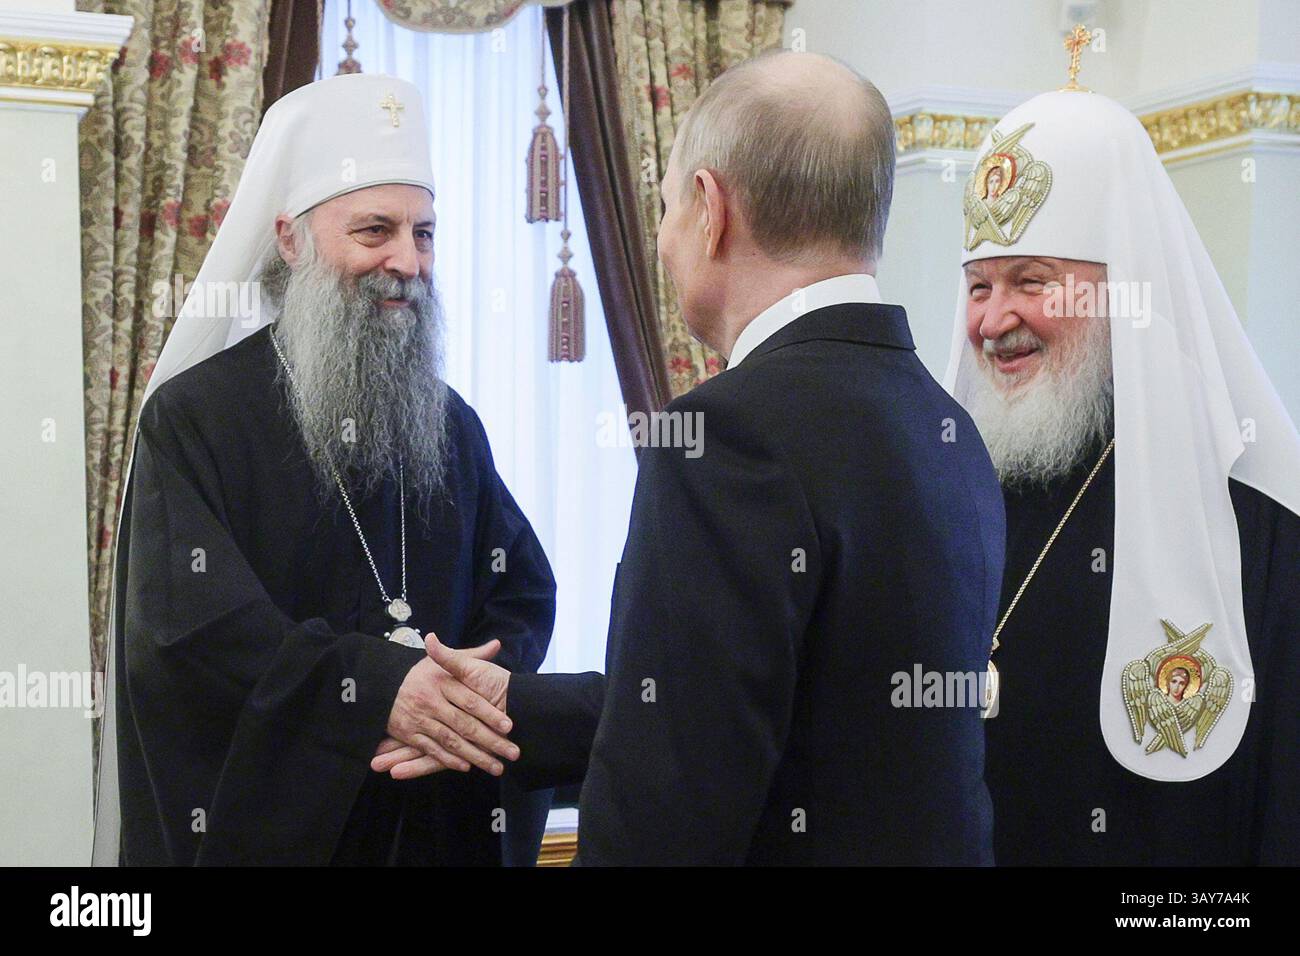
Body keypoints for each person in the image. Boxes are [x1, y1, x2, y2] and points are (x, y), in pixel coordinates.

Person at [382, 51, 1006, 865]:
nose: (666, 242)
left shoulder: (727, 436)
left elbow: (668, 803)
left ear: (711, 209)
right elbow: (791, 712)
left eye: (669, 206)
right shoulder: (947, 425)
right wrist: (520, 707)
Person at [91, 74, 556, 866]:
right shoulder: (194, 420)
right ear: (290, 239)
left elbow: (517, 590)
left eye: (425, 233)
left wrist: (472, 685)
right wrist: (377, 691)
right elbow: (188, 637)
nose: (407, 261)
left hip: (432, 830)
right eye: (375, 231)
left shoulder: (449, 424)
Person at [945, 76, 1300, 864]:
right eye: (978, 287)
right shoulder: (948, 492)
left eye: (1031, 282)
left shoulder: (1259, 518)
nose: (994, 321)